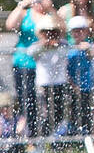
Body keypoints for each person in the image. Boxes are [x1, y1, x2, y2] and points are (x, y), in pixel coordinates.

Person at [5, 0, 55, 138]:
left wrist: (50, 8)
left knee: (49, 103)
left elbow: (62, 28)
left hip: (46, 66)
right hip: (24, 63)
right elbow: (10, 25)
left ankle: (48, 135)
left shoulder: (50, 15)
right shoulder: (25, 13)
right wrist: (22, 4)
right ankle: (30, 136)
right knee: (27, 101)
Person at [28, 13, 70, 143]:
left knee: (59, 113)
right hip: (43, 84)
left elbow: (65, 52)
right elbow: (30, 53)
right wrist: (44, 46)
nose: (50, 34)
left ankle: (55, 139)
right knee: (43, 113)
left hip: (60, 83)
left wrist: (55, 45)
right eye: (47, 32)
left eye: (52, 32)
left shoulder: (63, 45)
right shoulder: (37, 47)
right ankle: (42, 139)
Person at [65, 15, 94, 136]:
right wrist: (73, 85)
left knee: (89, 116)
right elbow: (66, 70)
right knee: (73, 116)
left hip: (89, 87)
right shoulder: (69, 48)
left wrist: (88, 49)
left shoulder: (90, 46)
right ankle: (75, 140)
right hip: (74, 88)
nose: (78, 33)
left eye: (80, 30)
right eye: (75, 31)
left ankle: (90, 140)